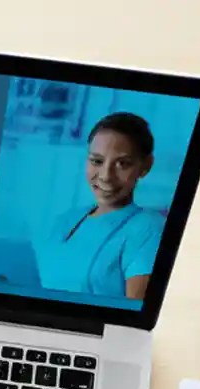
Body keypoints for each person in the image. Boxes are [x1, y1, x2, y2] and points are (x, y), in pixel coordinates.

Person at [32, 112, 165, 300]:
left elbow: (132, 320)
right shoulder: (65, 221)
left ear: (145, 166)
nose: (105, 176)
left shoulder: (149, 228)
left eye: (122, 164)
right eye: (97, 161)